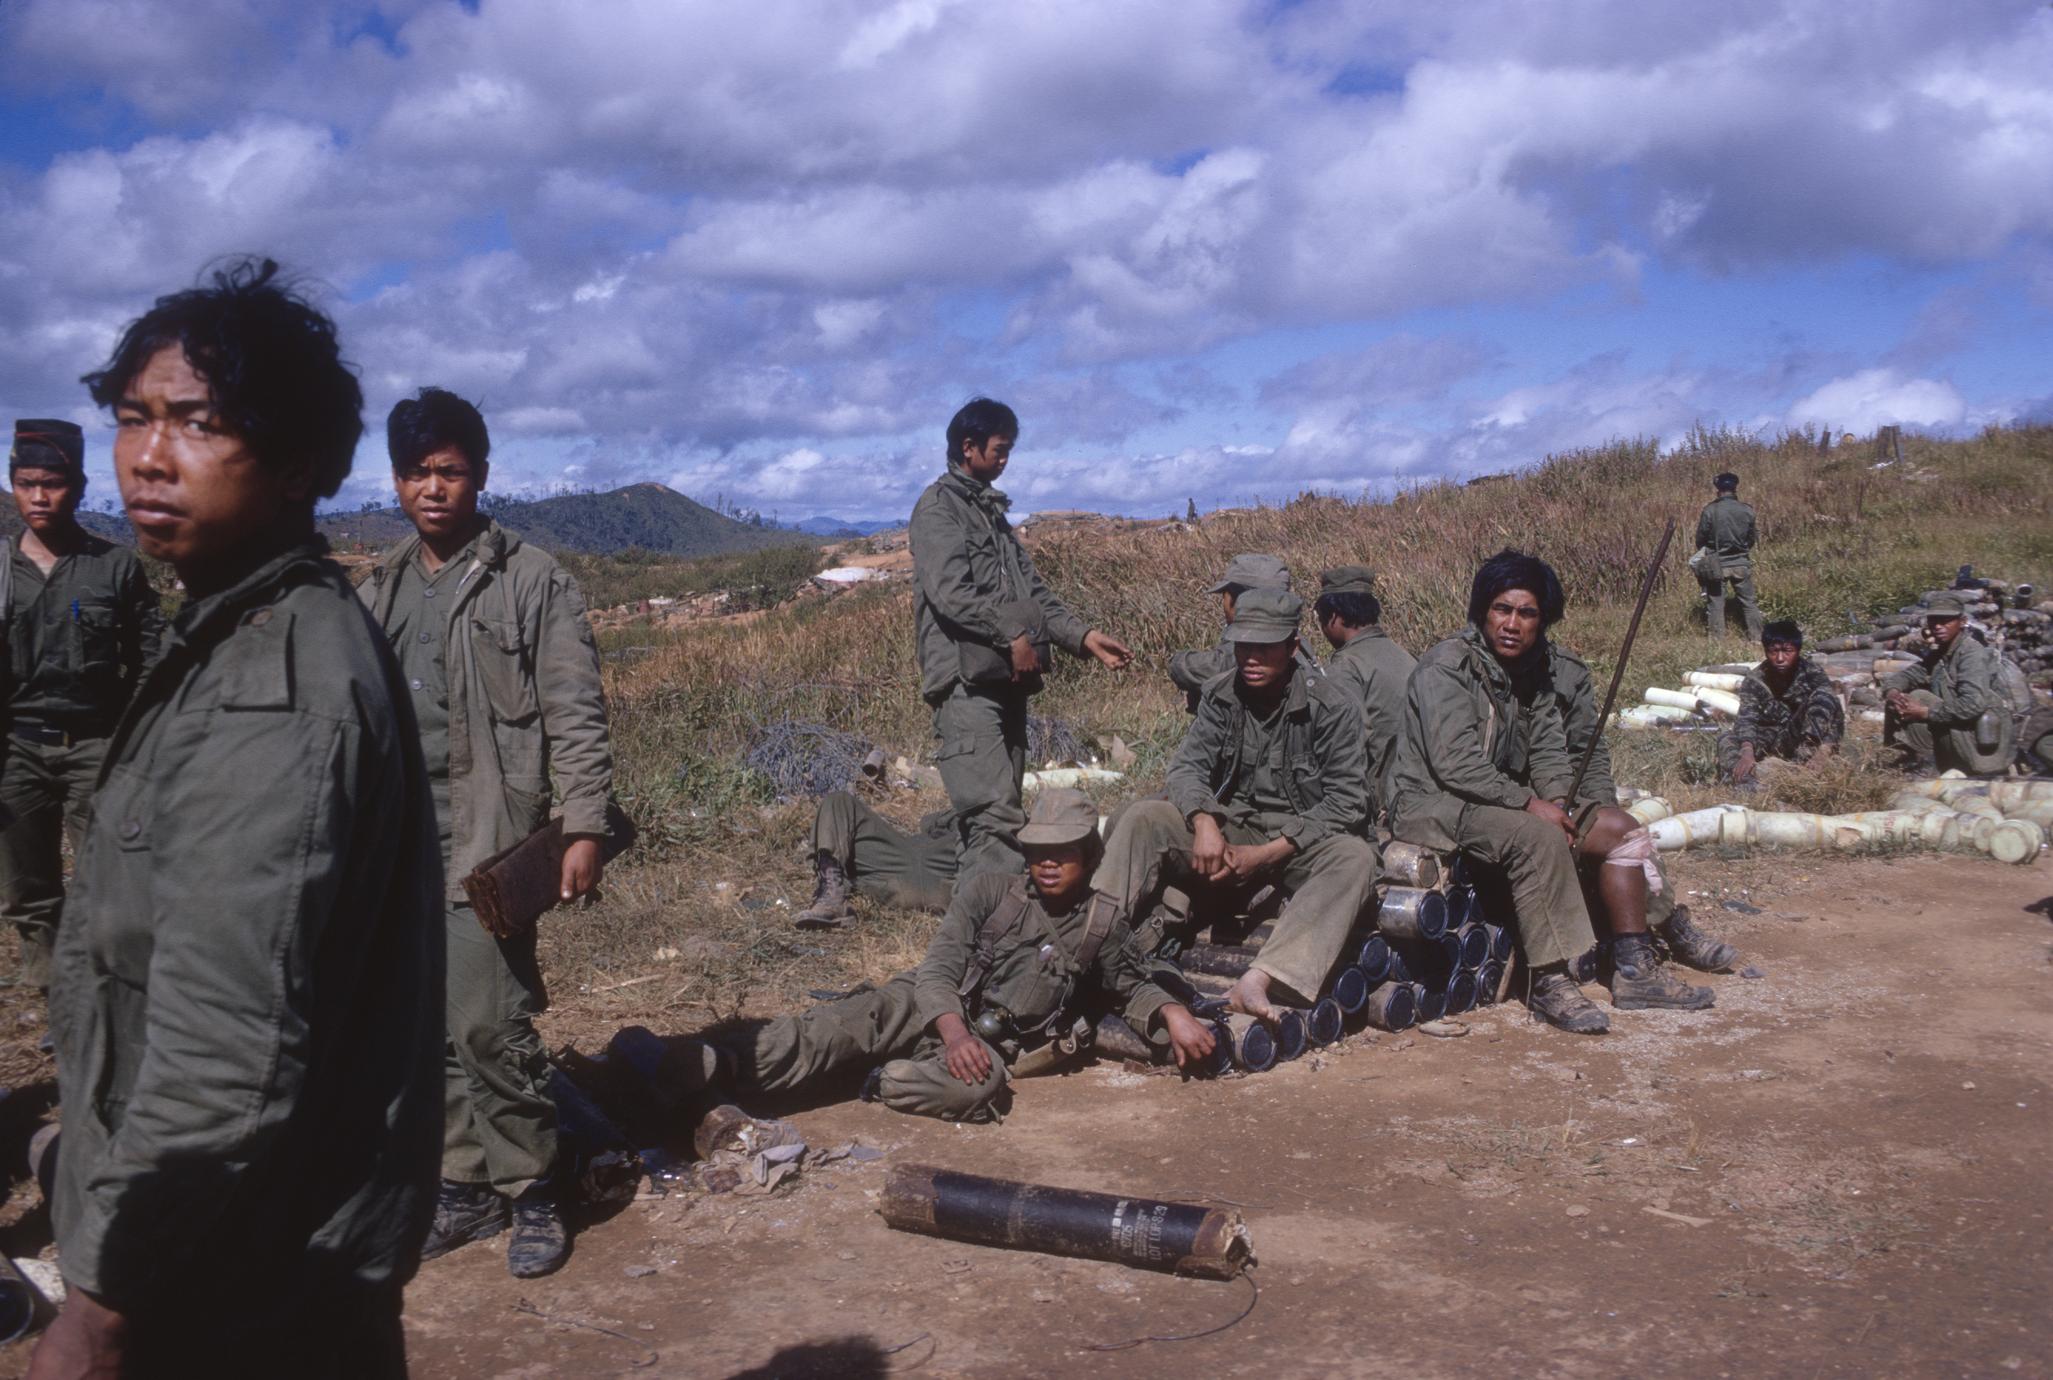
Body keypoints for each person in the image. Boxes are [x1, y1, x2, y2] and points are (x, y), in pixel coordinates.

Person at [37, 258, 441, 1377]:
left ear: (299, 462)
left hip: (244, 1278)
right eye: (133, 417)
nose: (148, 455)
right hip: (238, 1249)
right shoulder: (235, 632)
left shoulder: (274, 687)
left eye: (200, 424)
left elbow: (227, 1052)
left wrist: (101, 1305)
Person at [361, 387, 617, 1279]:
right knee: (426, 1025)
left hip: (490, 841)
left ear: (479, 476)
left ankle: (532, 1185)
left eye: (450, 471)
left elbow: (575, 710)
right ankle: (465, 1183)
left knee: (487, 1024)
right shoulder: (381, 589)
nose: (432, 488)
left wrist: (584, 825)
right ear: (395, 480)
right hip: (401, 843)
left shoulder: (532, 579)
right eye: (415, 472)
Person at [703, 790, 1213, 1122]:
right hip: (928, 1006)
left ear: (1090, 856)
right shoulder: (989, 891)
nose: (1048, 864)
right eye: (1038, 852)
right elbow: (937, 972)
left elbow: (1130, 985)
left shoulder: (1103, 922)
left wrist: (1173, 1011)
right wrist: (954, 1033)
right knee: (832, 1032)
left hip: (987, 1044)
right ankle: (708, 1065)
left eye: (1063, 853)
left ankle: (874, 1079)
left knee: (978, 1091)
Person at [1388, 551, 1712, 1034]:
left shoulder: (1534, 672)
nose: (1512, 624)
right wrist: (1529, 805)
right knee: (1536, 836)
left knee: (1620, 829)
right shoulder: (1448, 666)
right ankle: (1549, 980)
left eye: (1527, 613)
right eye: (1502, 609)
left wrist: (1561, 806)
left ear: (1542, 621)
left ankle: (1635, 967)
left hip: (1495, 798)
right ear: (1482, 611)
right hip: (1431, 800)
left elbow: (1548, 752)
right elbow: (1455, 764)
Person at [1097, 588, 1375, 1020]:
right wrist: (1204, 821)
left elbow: (1346, 802)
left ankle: (1262, 979)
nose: (1251, 658)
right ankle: (1094, 943)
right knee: (1144, 818)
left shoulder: (1332, 705)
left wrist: (1265, 854)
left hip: (1299, 842)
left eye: (1265, 648)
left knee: (1355, 857)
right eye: (1244, 646)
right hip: (1234, 828)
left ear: (1293, 647)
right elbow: (1187, 768)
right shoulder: (1221, 693)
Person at [910, 399, 1130, 879]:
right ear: (968, 448)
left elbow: (1034, 595)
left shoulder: (991, 514)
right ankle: (990, 916)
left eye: (1009, 450)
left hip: (1003, 680)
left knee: (1001, 810)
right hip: (964, 685)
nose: (1006, 459)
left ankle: (979, 899)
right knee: (993, 820)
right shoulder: (938, 510)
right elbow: (950, 595)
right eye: (999, 449)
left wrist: (1084, 637)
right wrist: (1012, 634)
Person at [0, 419, 163, 990]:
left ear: (79, 487)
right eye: (26, 484)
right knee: (27, 891)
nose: (39, 497)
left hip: (96, 747)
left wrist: (131, 742)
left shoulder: (113, 566)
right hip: (15, 752)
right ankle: (54, 997)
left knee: (111, 886)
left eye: (52, 484)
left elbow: (151, 658)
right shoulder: (1, 569)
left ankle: (106, 1000)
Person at [1547, 635, 1738, 973]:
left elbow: (1588, 750)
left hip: (1564, 795)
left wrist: (1602, 806)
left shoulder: (1565, 670)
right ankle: (1663, 926)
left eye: (1530, 613)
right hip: (1523, 801)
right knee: (1615, 833)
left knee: (1623, 831)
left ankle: (1666, 924)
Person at [1313, 565, 1414, 827]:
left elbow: (1350, 745)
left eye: (1321, 620)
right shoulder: (1403, 655)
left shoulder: (1345, 666)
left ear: (1333, 617)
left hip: (1385, 803)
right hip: (1414, 789)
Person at [1881, 593, 2014, 777]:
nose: (1938, 626)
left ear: (1962, 622)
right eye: (1934, 621)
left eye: (1945, 621)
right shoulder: (1942, 652)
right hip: (1957, 728)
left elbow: (1972, 705)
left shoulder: (1971, 654)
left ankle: (1929, 764)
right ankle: (1914, 757)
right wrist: (1893, 692)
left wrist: (1925, 712)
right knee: (1901, 699)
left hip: (1975, 740)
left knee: (1919, 697)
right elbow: (1911, 674)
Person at [794, 790, 958, 926]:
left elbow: (931, 822)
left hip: (944, 869)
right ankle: (832, 897)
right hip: (894, 863)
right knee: (839, 800)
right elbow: (929, 822)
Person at [1168, 553, 1307, 713]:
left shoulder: (1257, 640)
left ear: (1239, 600)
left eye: (1225, 595)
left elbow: (1212, 668)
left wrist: (1176, 662)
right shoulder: (1289, 635)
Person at [1719, 620, 1845, 786]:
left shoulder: (1812, 673)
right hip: (1768, 741)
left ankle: (1803, 764)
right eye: (1774, 651)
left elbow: (1835, 715)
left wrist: (1823, 752)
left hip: (1802, 741)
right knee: (1726, 738)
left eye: (1787, 651)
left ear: (1798, 651)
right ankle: (1746, 779)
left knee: (1824, 696)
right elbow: (1747, 719)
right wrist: (1747, 752)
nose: (1780, 658)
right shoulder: (1755, 680)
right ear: (1766, 651)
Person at [1695, 471, 1762, 640]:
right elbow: (1752, 538)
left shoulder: (1710, 510)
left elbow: (1700, 539)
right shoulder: (1747, 510)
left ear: (1718, 490)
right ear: (1735, 489)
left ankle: (1717, 642)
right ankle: (1757, 638)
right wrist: (1741, 551)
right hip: (1741, 562)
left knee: (1716, 604)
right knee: (1749, 603)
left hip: (1717, 564)